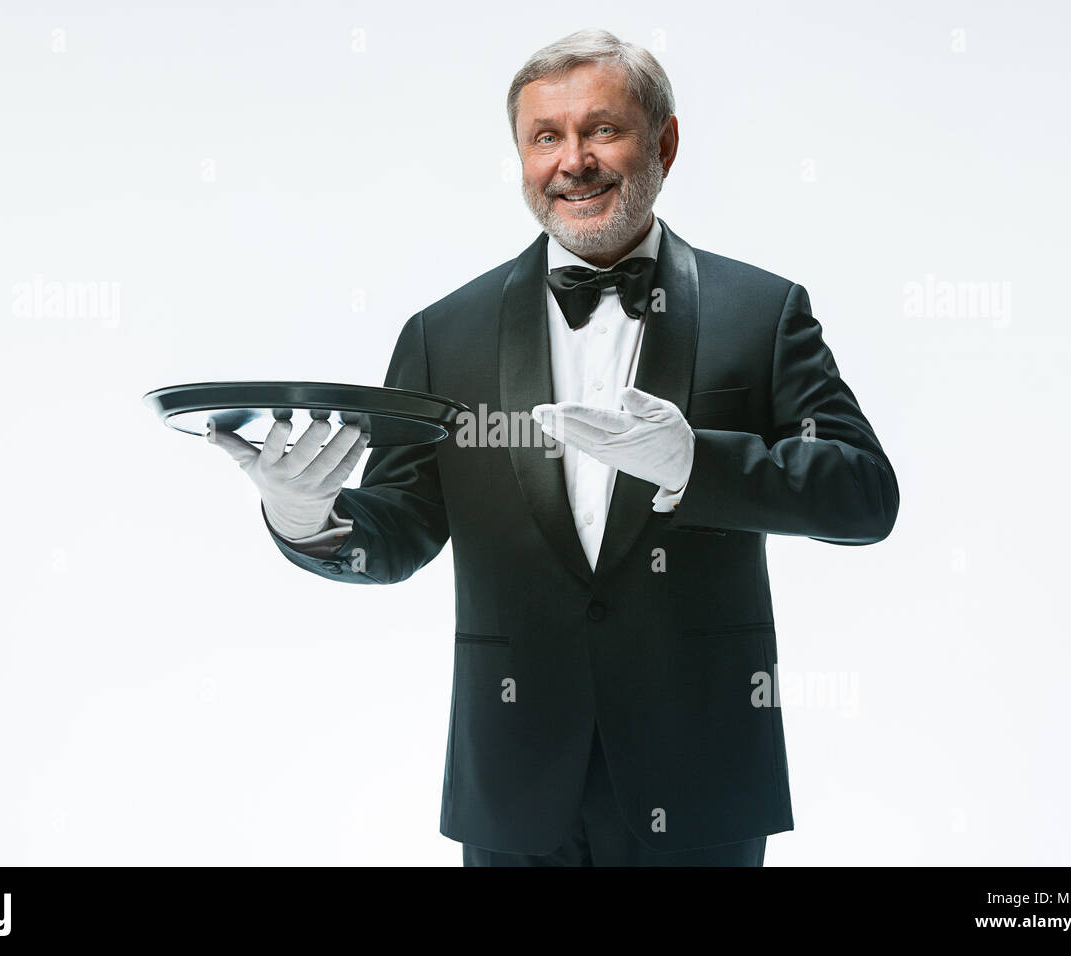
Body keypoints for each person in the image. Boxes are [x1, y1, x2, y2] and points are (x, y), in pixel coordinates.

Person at [209, 29, 899, 866]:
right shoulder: (442, 335)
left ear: (665, 143)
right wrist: (306, 515)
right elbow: (400, 533)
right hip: (513, 786)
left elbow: (865, 496)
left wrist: (696, 464)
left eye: (602, 130)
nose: (573, 161)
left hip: (703, 779)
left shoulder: (761, 311)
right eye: (546, 138)